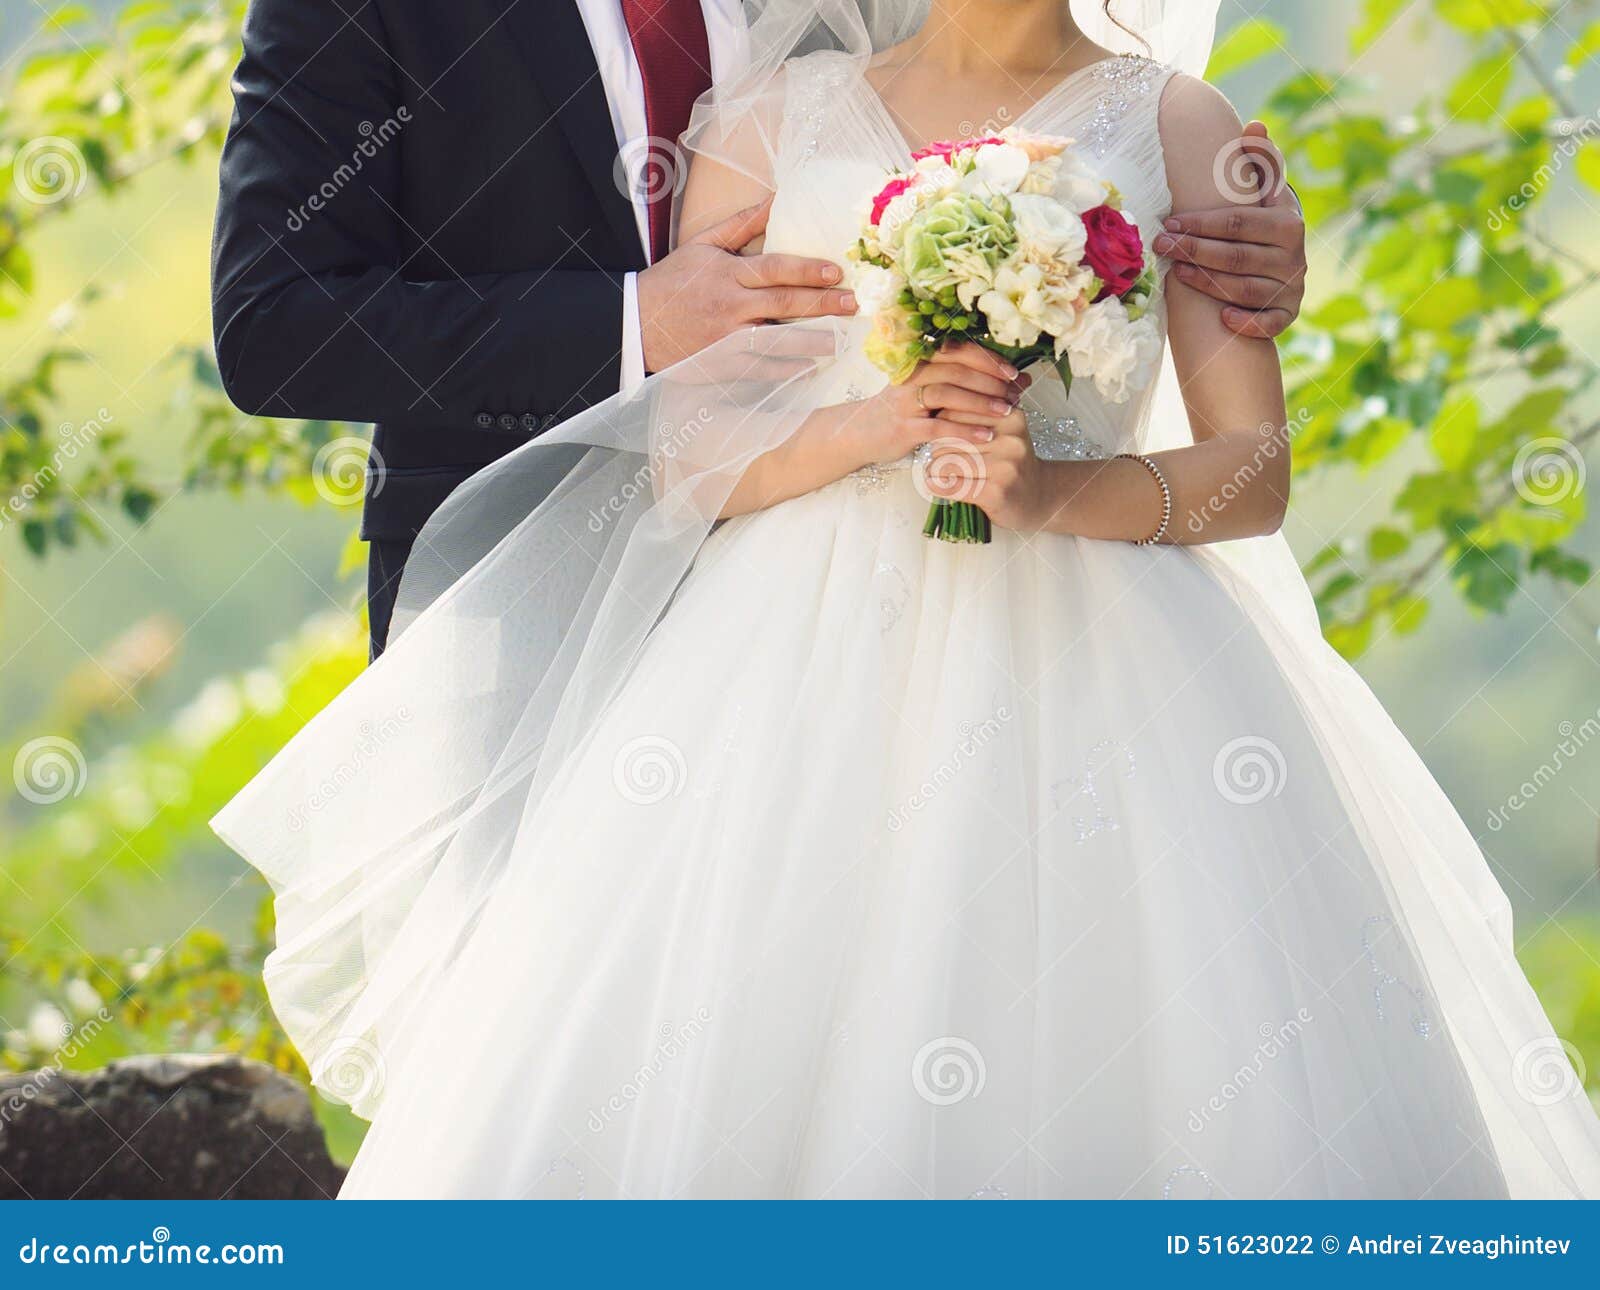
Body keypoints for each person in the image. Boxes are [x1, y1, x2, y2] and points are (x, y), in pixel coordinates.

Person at [212, 0, 1600, 1198]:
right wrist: (676, 339)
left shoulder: (1161, 120)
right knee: (609, 1034)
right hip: (659, 622)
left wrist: (1199, 253)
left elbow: (1250, 457)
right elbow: (276, 322)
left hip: (1097, 656)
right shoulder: (779, 111)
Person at [210, 0, 1305, 656]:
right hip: (522, 578)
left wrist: (1210, 224)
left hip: (919, 623)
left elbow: (1037, 111)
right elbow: (274, 324)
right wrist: (635, 321)